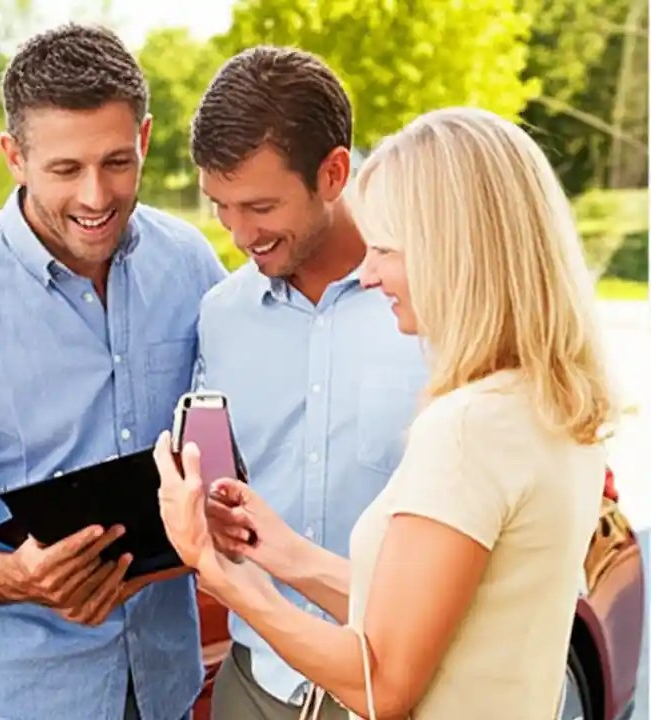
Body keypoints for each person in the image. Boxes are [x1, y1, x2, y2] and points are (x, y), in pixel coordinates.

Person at [155, 105, 616, 719]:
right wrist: (282, 550)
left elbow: (383, 686)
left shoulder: (465, 430)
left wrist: (216, 570)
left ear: (455, 253)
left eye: (386, 250)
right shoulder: (547, 401)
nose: (367, 276)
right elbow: (427, 613)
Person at [0, 23, 227, 720]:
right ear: (15, 157)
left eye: (118, 162)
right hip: (1, 698)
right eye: (66, 169)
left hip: (161, 686)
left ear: (145, 139)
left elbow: (219, 447)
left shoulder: (191, 268)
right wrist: (18, 578)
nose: (96, 195)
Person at [184, 46, 427, 718]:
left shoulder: (432, 306)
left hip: (406, 686)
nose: (238, 234)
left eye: (259, 206)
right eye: (220, 206)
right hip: (256, 685)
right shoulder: (220, 316)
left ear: (333, 172)